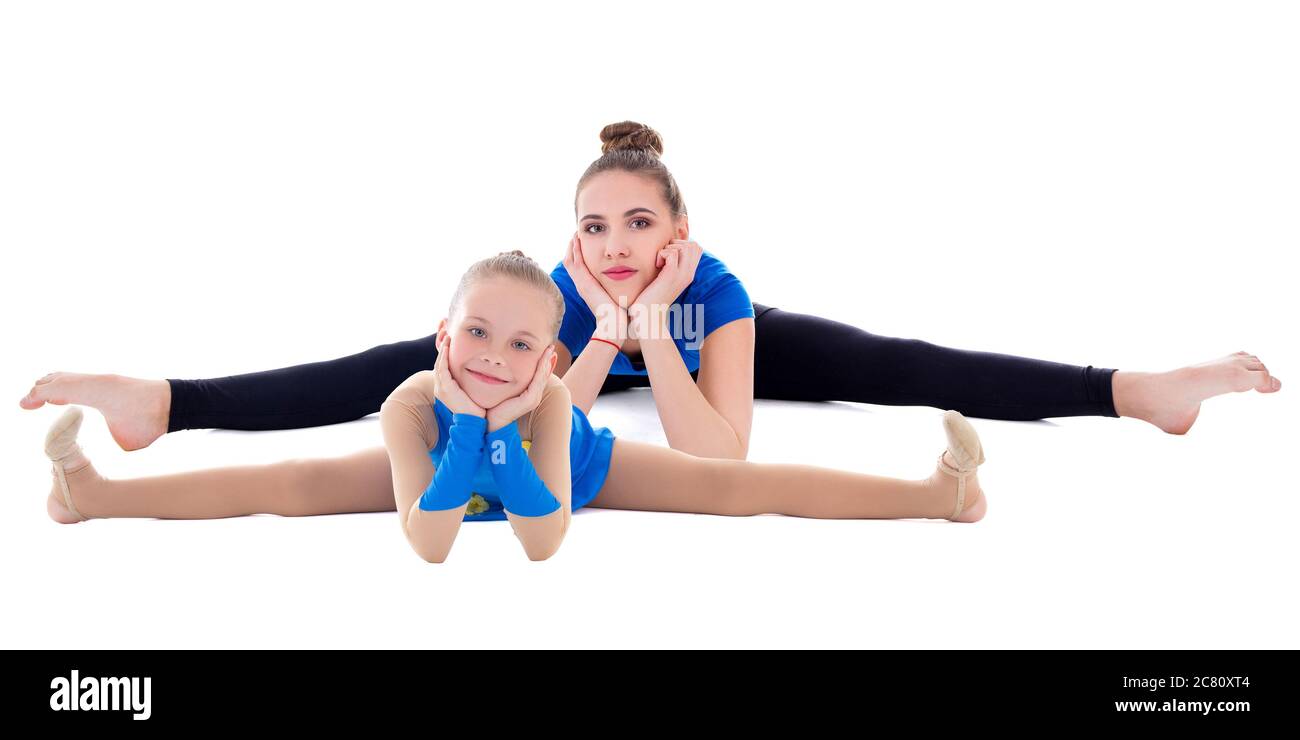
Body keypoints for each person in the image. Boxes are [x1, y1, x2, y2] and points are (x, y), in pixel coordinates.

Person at [20, 122, 1281, 460]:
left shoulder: (710, 286)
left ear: (679, 229)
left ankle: (1137, 390)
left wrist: (655, 332)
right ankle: (163, 402)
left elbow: (716, 450)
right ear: (563, 236)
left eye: (636, 225)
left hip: (695, 342)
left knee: (893, 360)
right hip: (572, 353)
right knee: (375, 370)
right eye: (591, 228)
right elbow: (533, 427)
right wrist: (589, 333)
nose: (612, 243)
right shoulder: (534, 296)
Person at [41, 252, 990, 562]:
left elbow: (540, 542)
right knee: (286, 481)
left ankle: (939, 494)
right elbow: (432, 540)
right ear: (441, 335)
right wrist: (463, 435)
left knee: (745, 489)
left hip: (567, 469)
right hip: (450, 463)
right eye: (477, 335)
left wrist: (509, 429)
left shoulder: (542, 402)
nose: (496, 358)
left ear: (552, 357)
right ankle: (92, 494)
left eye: (524, 344)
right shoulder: (412, 399)